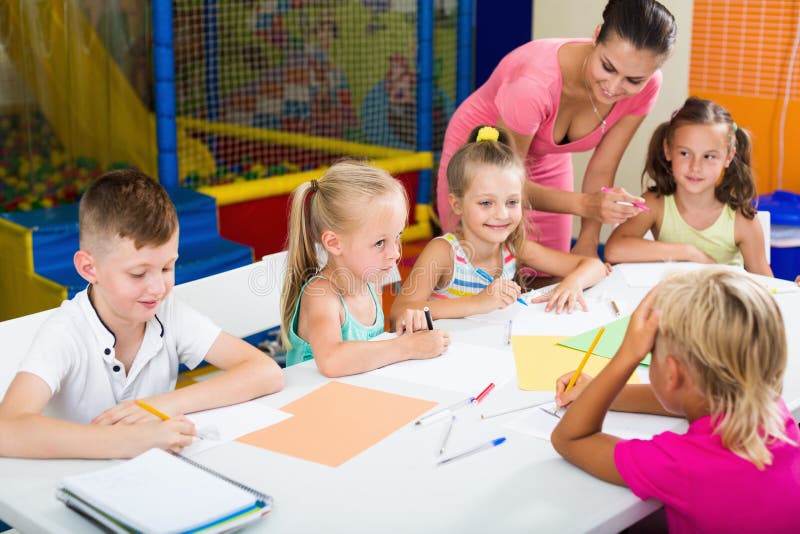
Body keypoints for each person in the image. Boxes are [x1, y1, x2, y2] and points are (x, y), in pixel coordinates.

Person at [0, 169, 284, 459]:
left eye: (167, 268)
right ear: (89, 268)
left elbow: (265, 371)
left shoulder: (169, 312)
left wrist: (161, 406)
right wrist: (128, 440)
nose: (158, 288)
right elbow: (6, 429)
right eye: (138, 274)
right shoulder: (65, 331)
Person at [551, 268, 800, 533]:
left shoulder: (681, 464)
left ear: (672, 373)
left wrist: (628, 353)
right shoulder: (773, 410)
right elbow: (691, 399)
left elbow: (570, 439)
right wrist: (596, 391)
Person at [436, 0, 676, 259]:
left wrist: (588, 241)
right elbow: (502, 183)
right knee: (480, 267)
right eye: (608, 67)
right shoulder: (533, 84)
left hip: (546, 155)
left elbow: (604, 166)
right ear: (596, 36)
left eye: (634, 80)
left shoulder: (649, 86)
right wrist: (586, 205)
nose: (614, 87)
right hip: (483, 154)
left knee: (550, 271)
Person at [392, 126, 607, 320]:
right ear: (457, 205)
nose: (502, 214)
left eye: (512, 202)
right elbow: (400, 312)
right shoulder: (443, 252)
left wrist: (573, 283)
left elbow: (594, 266)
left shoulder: (514, 248)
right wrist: (478, 303)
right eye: (486, 203)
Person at [281, 160, 449, 377]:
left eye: (397, 237)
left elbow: (372, 349)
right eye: (380, 243)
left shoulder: (371, 282)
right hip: (311, 404)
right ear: (333, 243)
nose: (396, 253)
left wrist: (407, 329)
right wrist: (408, 347)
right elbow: (332, 361)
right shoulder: (321, 295)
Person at [604, 97, 772, 276]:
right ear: (668, 150)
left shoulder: (742, 220)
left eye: (709, 156)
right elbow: (614, 250)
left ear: (729, 157)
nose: (695, 167)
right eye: (685, 153)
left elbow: (767, 286)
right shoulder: (656, 203)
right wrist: (689, 252)